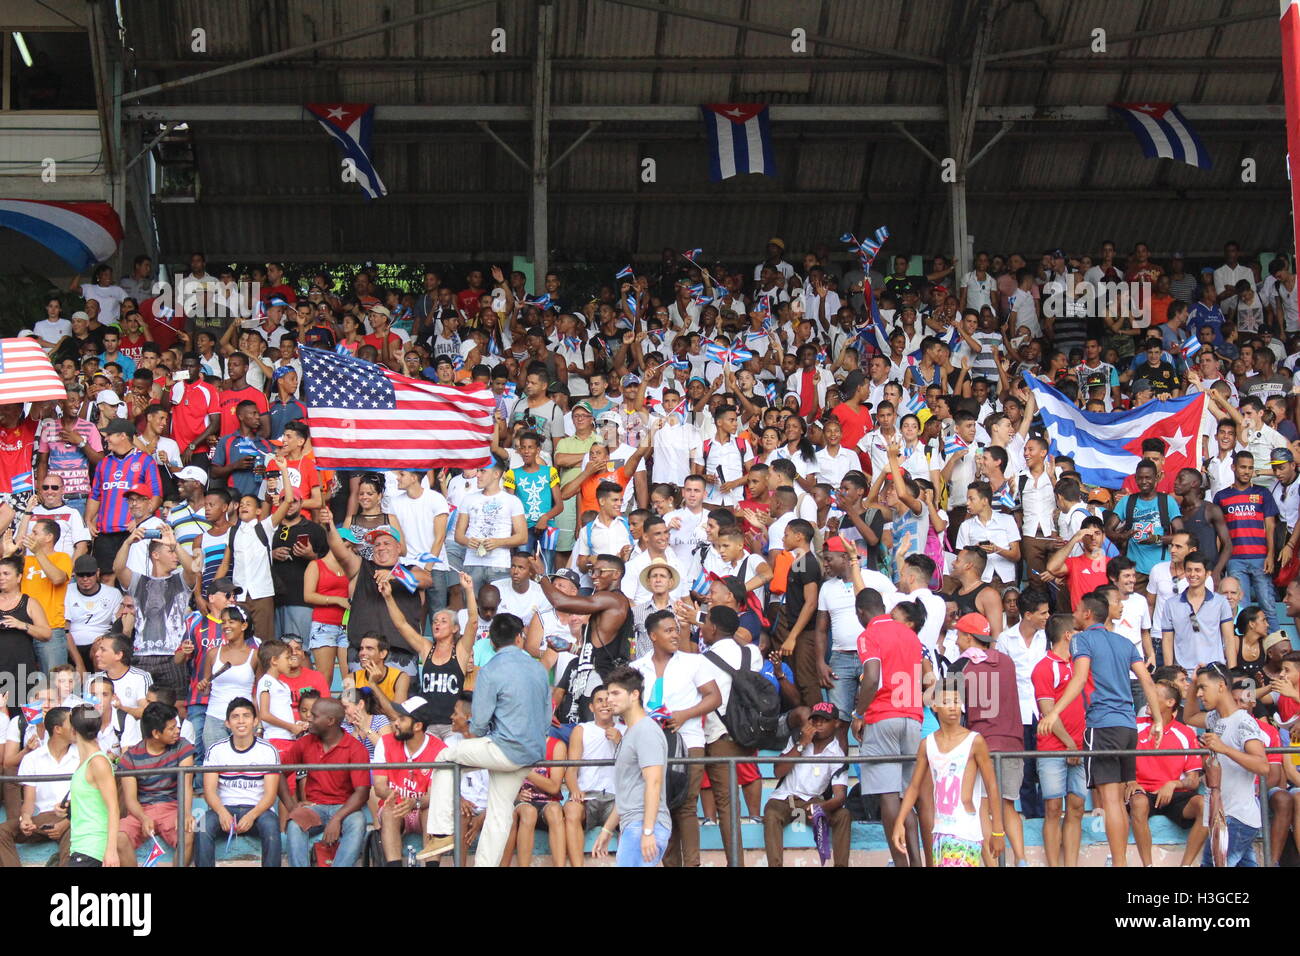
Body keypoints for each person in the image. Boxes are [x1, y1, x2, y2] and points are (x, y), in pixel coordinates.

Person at [1038, 591, 1164, 867]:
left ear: (1086, 614)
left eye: (1076, 610)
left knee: (1111, 801)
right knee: (1119, 799)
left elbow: (1080, 678)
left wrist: (1054, 712)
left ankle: (1119, 863)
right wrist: (1158, 720)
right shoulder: (1124, 641)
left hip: (1102, 725)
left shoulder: (1082, 639)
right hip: (1128, 726)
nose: (1073, 615)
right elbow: (1147, 681)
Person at [419, 612, 550, 865]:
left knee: (445, 756)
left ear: (491, 643)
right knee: (500, 815)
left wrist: (484, 732)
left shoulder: (490, 670)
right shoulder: (538, 668)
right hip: (531, 753)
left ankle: (441, 831)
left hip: (503, 749)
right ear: (519, 639)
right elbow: (546, 719)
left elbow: (478, 727)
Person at [630, 608, 721, 867]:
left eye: (677, 630)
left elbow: (714, 697)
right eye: (668, 630)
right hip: (651, 746)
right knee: (661, 808)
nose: (675, 635)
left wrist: (684, 715)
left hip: (689, 741)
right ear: (653, 636)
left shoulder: (694, 661)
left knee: (686, 805)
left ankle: (692, 864)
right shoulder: (636, 668)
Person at [894, 676, 1004, 868]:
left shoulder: (975, 741)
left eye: (956, 701)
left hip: (966, 832)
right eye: (946, 702)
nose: (953, 707)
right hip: (940, 832)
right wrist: (899, 822)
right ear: (934, 706)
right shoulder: (927, 744)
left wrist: (997, 831)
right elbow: (914, 787)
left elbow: (992, 786)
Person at [851, 586, 925, 866]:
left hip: (883, 716)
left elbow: (871, 677)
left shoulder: (868, 635)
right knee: (907, 798)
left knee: (889, 797)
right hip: (913, 717)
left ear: (861, 613)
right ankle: (916, 862)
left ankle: (902, 863)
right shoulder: (910, 634)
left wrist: (859, 714)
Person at [948, 611, 1027, 866]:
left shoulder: (961, 665)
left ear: (969, 637)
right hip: (1013, 741)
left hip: (981, 744)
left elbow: (943, 704)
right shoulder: (1007, 661)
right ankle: (1022, 860)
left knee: (982, 806)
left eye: (959, 636)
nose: (957, 641)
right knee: (1008, 806)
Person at [1181, 663, 1271, 867]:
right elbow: (1190, 717)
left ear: (1221, 685)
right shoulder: (1215, 717)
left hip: (1235, 818)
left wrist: (1225, 749)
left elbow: (1263, 766)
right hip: (1223, 815)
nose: (1200, 694)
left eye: (1204, 688)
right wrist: (1194, 684)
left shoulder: (1243, 722)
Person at [591, 665, 672, 867]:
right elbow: (629, 790)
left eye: (616, 693)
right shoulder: (631, 732)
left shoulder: (645, 731)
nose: (609, 699)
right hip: (634, 825)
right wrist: (607, 829)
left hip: (642, 825)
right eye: (608, 694)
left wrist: (647, 830)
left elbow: (653, 782)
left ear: (634, 694)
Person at [278, 697, 371, 868]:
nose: (308, 718)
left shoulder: (356, 748)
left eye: (314, 716)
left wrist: (337, 818)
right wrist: (293, 808)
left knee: (358, 823)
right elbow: (280, 774)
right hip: (315, 807)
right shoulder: (305, 742)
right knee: (294, 824)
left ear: (330, 721)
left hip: (344, 808)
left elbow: (362, 793)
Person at [112, 523, 200, 694]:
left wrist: (175, 545)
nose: (175, 556)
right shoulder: (139, 581)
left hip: (173, 656)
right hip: (142, 656)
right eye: (170, 552)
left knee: (177, 708)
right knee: (143, 707)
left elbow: (192, 568)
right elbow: (118, 568)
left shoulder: (180, 580)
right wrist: (127, 543)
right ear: (155, 555)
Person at [761, 701, 852, 867]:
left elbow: (840, 797)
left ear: (836, 723)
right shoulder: (797, 738)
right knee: (771, 814)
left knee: (843, 815)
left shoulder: (837, 753)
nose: (818, 723)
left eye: (824, 720)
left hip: (813, 802)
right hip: (784, 799)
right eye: (815, 719)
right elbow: (778, 771)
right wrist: (802, 743)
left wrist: (821, 807)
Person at [196, 697, 281, 868]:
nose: (241, 721)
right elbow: (209, 791)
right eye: (235, 717)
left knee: (271, 827)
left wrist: (252, 815)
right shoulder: (216, 750)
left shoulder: (268, 750)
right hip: (225, 808)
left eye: (246, 716)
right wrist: (221, 812)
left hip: (258, 810)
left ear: (255, 721)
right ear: (227, 723)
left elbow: (270, 795)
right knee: (201, 828)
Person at [1130, 680, 1207, 868]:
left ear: (1170, 703)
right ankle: (1147, 865)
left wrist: (1173, 784)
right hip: (1143, 792)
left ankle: (1186, 865)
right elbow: (1117, 762)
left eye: (1154, 695)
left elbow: (1193, 780)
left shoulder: (1185, 733)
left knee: (1207, 807)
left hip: (1175, 794)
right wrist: (1129, 782)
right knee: (1138, 803)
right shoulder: (1134, 727)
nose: (1148, 698)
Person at [1031, 614, 1086, 867]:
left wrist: (1078, 744)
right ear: (1068, 635)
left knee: (1076, 807)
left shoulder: (1081, 664)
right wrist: (1070, 744)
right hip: (1053, 748)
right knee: (1053, 809)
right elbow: (1047, 712)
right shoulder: (1044, 667)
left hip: (1080, 746)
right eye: (1077, 631)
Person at [117, 701, 196, 866]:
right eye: (171, 728)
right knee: (118, 837)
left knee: (188, 833)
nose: (177, 731)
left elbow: (186, 785)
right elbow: (130, 799)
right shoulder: (130, 757)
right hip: (142, 810)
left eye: (177, 726)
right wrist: (143, 817)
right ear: (156, 733)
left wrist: (186, 813)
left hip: (173, 808)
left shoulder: (183, 746)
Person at [372, 695, 447, 866]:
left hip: (423, 808)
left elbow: (436, 794)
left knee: (432, 809)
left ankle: (432, 865)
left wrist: (416, 802)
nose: (395, 723)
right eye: (397, 718)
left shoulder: (440, 750)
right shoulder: (385, 742)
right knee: (390, 809)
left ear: (418, 726)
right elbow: (379, 786)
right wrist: (397, 796)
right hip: (397, 807)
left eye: (402, 719)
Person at [0, 706, 77, 867]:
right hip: (43, 818)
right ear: (58, 729)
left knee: (74, 839)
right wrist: (26, 818)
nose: (77, 727)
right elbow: (29, 801)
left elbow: (89, 799)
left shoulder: (81, 754)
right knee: (2, 831)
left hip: (73, 818)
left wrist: (66, 823)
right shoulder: (32, 758)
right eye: (72, 723)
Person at [562, 685, 623, 867]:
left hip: (615, 799)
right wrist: (574, 790)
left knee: (633, 815)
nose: (604, 704)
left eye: (608, 700)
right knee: (571, 811)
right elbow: (571, 770)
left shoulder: (625, 729)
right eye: (599, 700)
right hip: (587, 796)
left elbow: (632, 769)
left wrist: (620, 741)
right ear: (591, 707)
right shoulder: (582, 730)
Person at [66, 704, 126, 867]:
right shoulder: (86, 763)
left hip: (93, 850)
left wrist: (111, 851)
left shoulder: (98, 762)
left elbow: (113, 808)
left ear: (73, 730)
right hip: (81, 848)